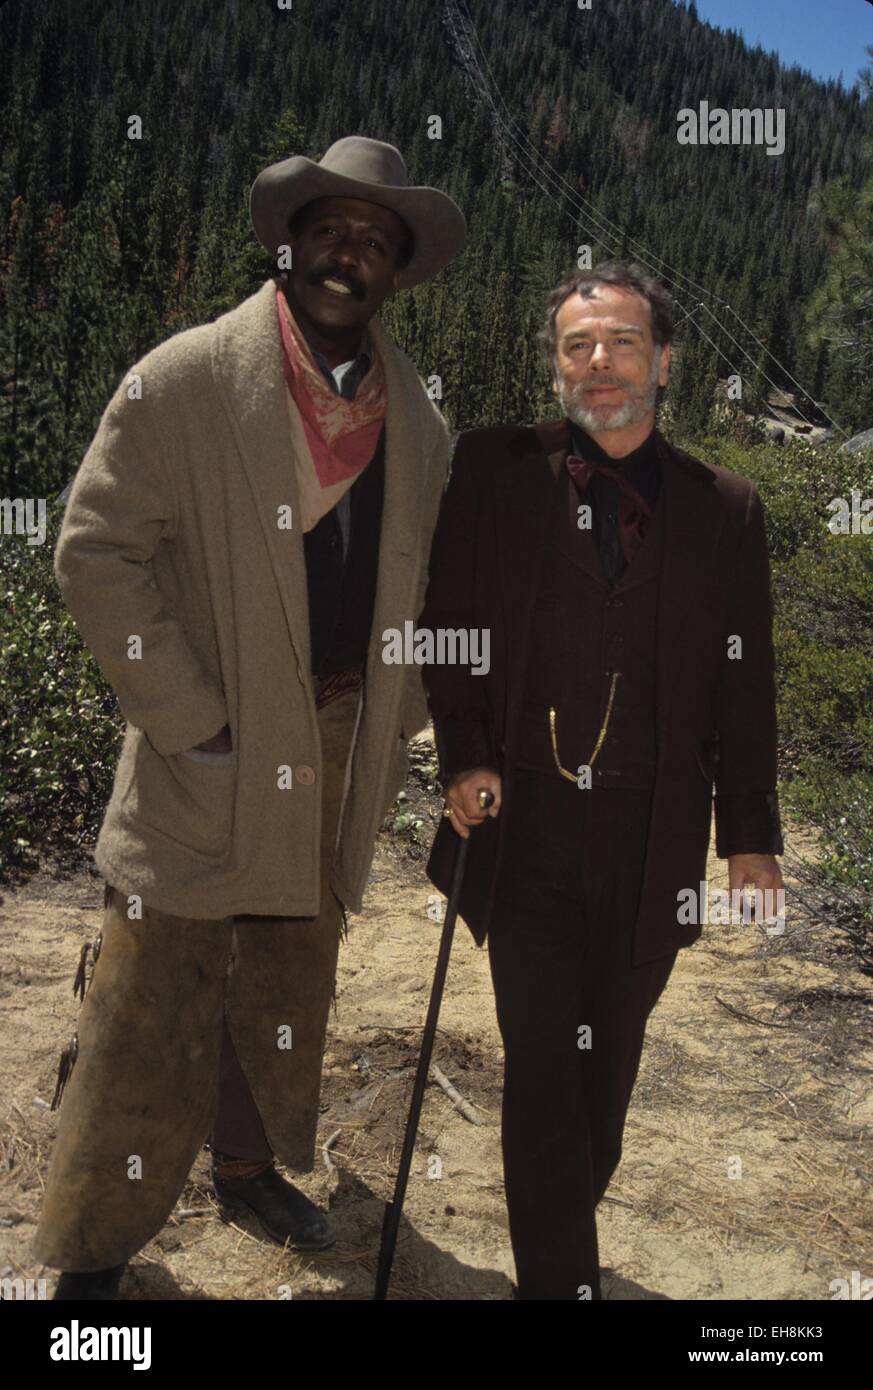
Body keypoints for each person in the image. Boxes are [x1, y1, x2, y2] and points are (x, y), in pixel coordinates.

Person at [34, 136, 466, 1300]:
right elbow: (94, 550)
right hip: (208, 744)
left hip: (333, 746)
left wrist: (409, 717)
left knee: (285, 979)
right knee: (149, 994)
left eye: (374, 242)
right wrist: (188, 717)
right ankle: (91, 1260)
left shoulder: (417, 419)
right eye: (331, 230)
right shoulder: (183, 377)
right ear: (291, 241)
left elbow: (425, 592)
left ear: (394, 270)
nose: (349, 255)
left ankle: (245, 1168)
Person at [420, 261, 784, 1301]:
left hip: (653, 831)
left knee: (604, 1071)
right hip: (521, 818)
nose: (600, 363)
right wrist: (465, 754)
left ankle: (562, 1230)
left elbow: (743, 683)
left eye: (623, 342)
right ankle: (559, 1279)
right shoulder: (493, 471)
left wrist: (748, 832)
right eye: (578, 346)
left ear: (663, 362)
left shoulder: (728, 509)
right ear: (555, 369)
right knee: (539, 1070)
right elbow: (448, 628)